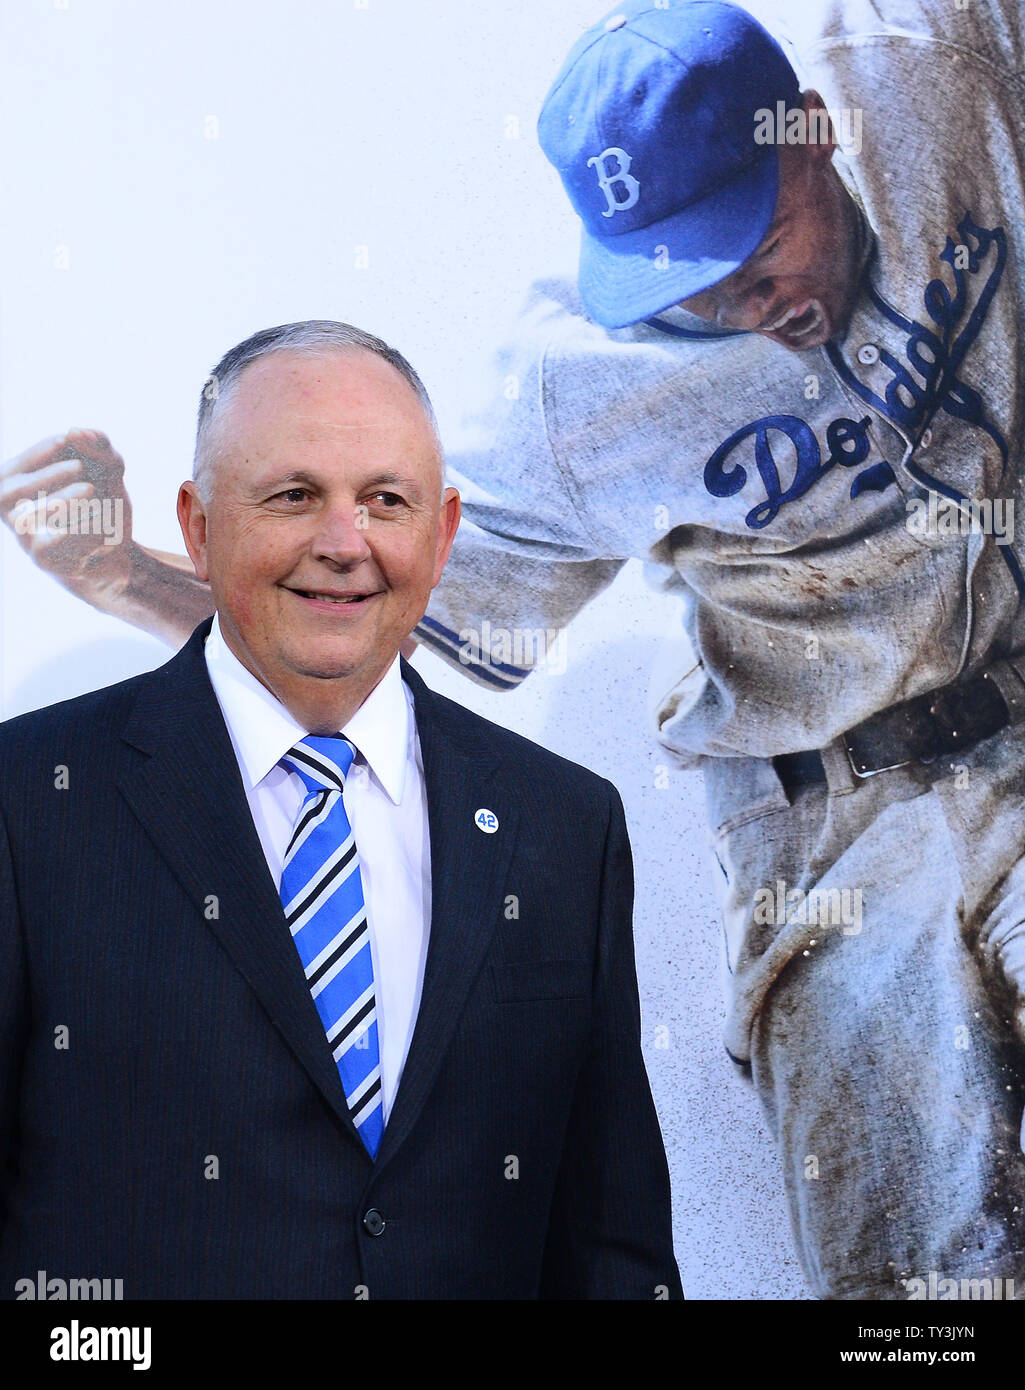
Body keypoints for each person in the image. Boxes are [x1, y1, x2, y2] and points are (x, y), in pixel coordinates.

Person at [3, 0, 1024, 1299]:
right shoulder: (572, 390)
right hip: (836, 842)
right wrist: (124, 572)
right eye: (692, 280)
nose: (747, 305)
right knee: (933, 1295)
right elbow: (356, 640)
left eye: (759, 247)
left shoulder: (935, 66)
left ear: (812, 135)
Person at [0, 321, 683, 1301]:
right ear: (196, 526)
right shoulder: (29, 803)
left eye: (384, 501)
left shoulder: (563, 825)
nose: (341, 543)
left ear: (441, 535)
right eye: (291, 496)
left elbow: (611, 1248)